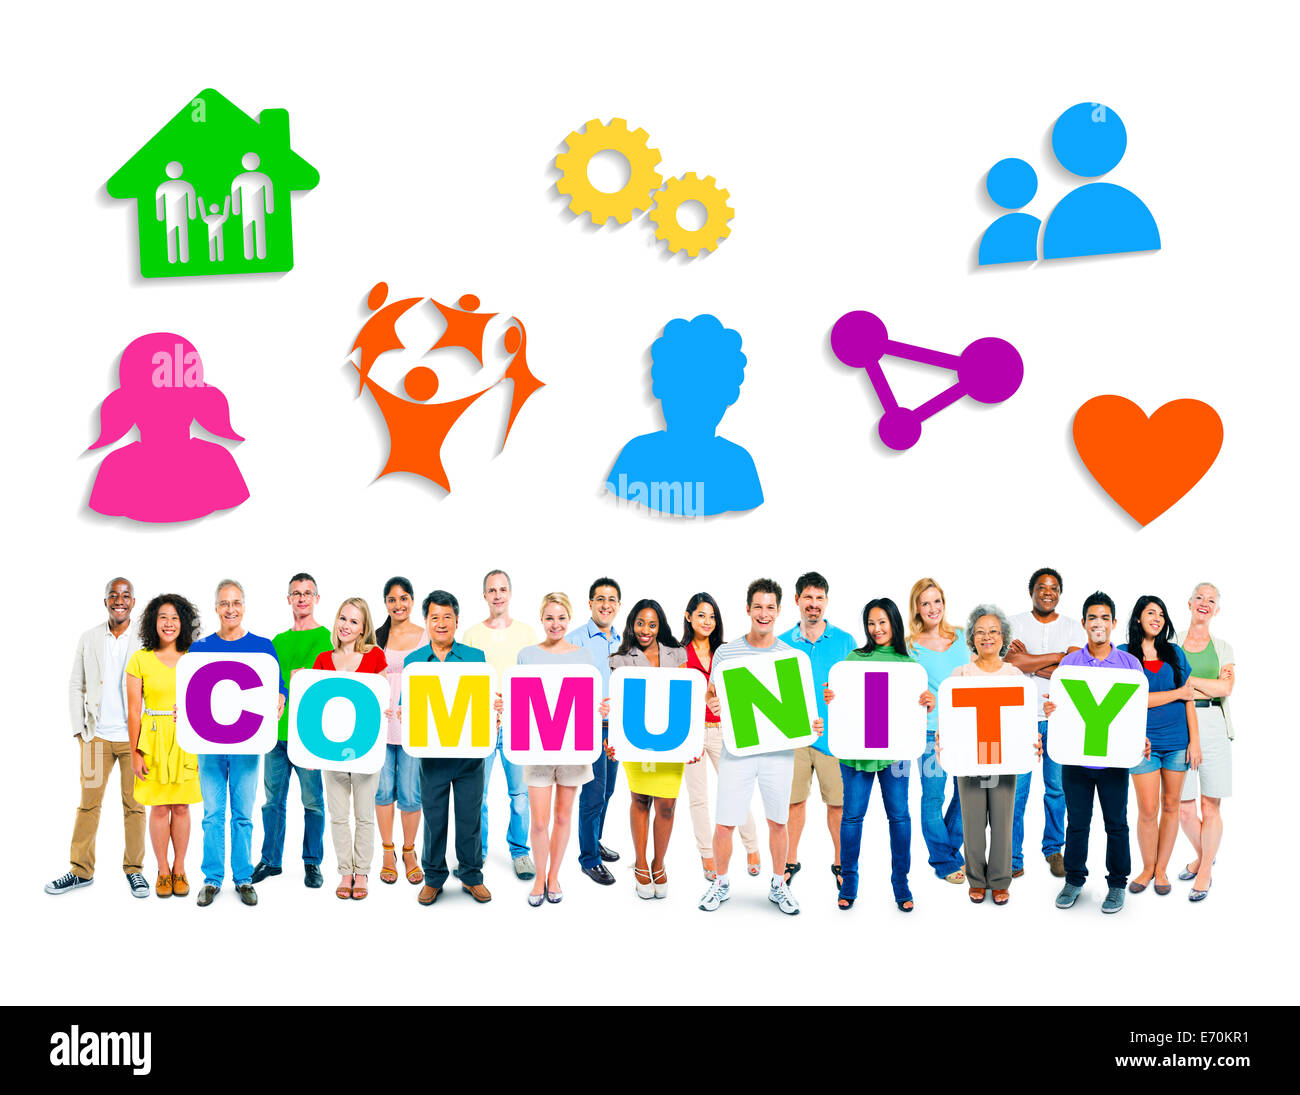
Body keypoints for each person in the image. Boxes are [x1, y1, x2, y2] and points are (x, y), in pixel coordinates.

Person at [698, 579, 823, 916]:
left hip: (777, 754)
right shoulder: (726, 653)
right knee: (725, 823)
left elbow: (801, 710)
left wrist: (811, 725)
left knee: (778, 822)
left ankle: (779, 885)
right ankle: (721, 882)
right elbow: (712, 692)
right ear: (748, 609)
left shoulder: (791, 656)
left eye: (770, 607)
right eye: (758, 607)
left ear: (779, 611)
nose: (764, 613)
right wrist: (712, 702)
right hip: (737, 751)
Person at [828, 598, 933, 913]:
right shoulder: (854, 659)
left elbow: (914, 711)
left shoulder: (910, 665)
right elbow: (844, 703)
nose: (876, 629)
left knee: (899, 816)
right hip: (856, 753)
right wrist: (832, 695)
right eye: (871, 623)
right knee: (852, 817)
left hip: (895, 754)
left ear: (894, 623)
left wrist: (927, 702)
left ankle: (901, 883)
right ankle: (848, 883)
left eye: (882, 622)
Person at [48, 579, 149, 898]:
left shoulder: (146, 640)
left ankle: (135, 871)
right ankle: (80, 870)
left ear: (133, 602)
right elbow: (75, 684)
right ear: (105, 601)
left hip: (135, 741)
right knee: (88, 805)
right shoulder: (89, 638)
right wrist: (79, 730)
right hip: (96, 738)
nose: (119, 600)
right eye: (113, 596)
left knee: (135, 806)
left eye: (125, 596)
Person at [605, 314, 763, 515]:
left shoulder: (738, 466)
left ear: (728, 397)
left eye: (706, 394)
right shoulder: (637, 456)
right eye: (682, 389)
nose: (693, 403)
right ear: (660, 388)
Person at [189, 579, 286, 908]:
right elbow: (190, 693)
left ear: (243, 606)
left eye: (236, 602)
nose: (230, 609)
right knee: (212, 814)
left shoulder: (263, 647)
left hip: (246, 743)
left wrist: (280, 698)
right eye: (224, 603)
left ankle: (243, 877)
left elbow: (277, 687)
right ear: (216, 608)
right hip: (209, 744)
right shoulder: (200, 648)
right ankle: (212, 879)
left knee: (243, 814)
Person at [1047, 592, 1145, 914]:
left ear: (1113, 623)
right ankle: (1074, 879)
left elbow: (1134, 713)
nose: (1098, 623)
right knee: (1077, 823)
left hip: (1113, 761)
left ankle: (1117, 884)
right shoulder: (1069, 665)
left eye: (1104, 617)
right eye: (1092, 618)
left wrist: (1140, 739)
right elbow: (1061, 710)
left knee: (1116, 824)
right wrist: (1050, 710)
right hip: (1076, 760)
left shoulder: (1130, 664)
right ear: (1084, 623)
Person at [514, 593, 609, 906]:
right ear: (541, 619)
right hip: (537, 748)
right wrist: (505, 706)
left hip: (572, 747)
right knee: (540, 822)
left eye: (561, 618)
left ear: (569, 619)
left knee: (563, 817)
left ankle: (554, 876)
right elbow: (521, 702)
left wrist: (600, 709)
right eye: (549, 618)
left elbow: (588, 700)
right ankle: (539, 877)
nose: (555, 624)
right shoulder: (527, 655)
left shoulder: (583, 656)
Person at [946, 605, 1041, 906]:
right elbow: (950, 720)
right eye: (980, 632)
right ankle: (976, 879)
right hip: (970, 758)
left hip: (1004, 757)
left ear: (1003, 637)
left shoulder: (1015, 675)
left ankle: (1000, 881)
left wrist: (1033, 742)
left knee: (1003, 822)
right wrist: (944, 742)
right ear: (972, 638)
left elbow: (1024, 721)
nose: (987, 637)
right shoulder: (961, 674)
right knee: (972, 822)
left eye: (993, 631)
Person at [407, 591, 492, 907]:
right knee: (434, 820)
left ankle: (472, 876)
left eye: (447, 617)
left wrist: (494, 706)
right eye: (435, 617)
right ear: (426, 621)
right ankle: (433, 879)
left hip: (469, 758)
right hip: (432, 759)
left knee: (470, 819)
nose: (441, 623)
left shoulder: (475, 657)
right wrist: (402, 712)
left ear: (457, 621)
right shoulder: (414, 662)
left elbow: (483, 700)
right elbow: (409, 705)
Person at [604, 599, 688, 898]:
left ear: (659, 626)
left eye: (652, 624)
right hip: (635, 739)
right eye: (640, 623)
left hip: (672, 740)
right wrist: (613, 740)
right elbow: (618, 704)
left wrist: (692, 742)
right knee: (640, 799)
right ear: (632, 624)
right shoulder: (619, 660)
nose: (645, 630)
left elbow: (686, 700)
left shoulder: (678, 654)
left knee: (667, 805)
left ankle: (658, 863)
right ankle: (640, 863)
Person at [252, 573, 330, 889]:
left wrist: (306, 675)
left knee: (313, 802)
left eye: (307, 593)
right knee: (273, 801)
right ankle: (271, 860)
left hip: (308, 735)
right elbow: (266, 681)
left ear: (316, 599)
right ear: (288, 599)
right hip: (276, 735)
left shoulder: (326, 638)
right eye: (296, 593)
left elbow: (330, 682)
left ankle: (312, 862)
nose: (301, 598)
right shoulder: (277, 642)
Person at [778, 571, 855, 892]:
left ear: (826, 601)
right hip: (794, 739)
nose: (814, 604)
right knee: (794, 802)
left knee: (837, 804)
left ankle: (841, 862)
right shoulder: (781, 642)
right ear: (797, 600)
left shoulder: (845, 641)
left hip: (833, 739)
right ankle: (788, 860)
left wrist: (838, 699)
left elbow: (856, 689)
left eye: (819, 598)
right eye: (808, 597)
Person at [1005, 567, 1084, 879]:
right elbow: (1010, 662)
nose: (1047, 593)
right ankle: (1013, 856)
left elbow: (1072, 670)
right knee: (1017, 792)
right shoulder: (1014, 623)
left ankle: (1053, 849)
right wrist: (1055, 657)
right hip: (1021, 717)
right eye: (1042, 587)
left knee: (1057, 789)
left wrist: (1031, 663)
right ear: (1031, 591)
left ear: (1059, 593)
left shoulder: (1073, 626)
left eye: (1053, 588)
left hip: (1058, 717)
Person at [1120, 595, 1199, 897]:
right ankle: (1147, 867)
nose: (1157, 618)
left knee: (1170, 806)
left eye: (1161, 614)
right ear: (1138, 618)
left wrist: (1195, 741)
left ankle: (1162, 869)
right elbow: (1131, 700)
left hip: (1178, 743)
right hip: (1142, 744)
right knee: (1148, 809)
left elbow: (1190, 699)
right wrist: (1176, 693)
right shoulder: (1124, 654)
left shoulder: (1175, 653)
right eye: (1151, 612)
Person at [681, 593, 762, 880]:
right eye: (701, 615)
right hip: (691, 733)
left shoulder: (726, 652)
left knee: (736, 790)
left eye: (712, 616)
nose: (707, 621)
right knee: (698, 797)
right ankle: (707, 853)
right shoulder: (678, 654)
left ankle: (752, 846)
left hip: (722, 729)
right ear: (689, 617)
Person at [462, 569, 537, 881]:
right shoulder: (471, 635)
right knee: (476, 795)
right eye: (492, 590)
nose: (497, 595)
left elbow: (535, 682)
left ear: (510, 593)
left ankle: (520, 852)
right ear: (484, 595)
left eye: (502, 589)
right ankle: (476, 852)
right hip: (480, 726)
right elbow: (464, 682)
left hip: (517, 726)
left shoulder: (527, 634)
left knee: (520, 795)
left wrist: (514, 701)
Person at [311, 598, 388, 899]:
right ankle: (345, 872)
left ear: (363, 628)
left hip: (365, 749)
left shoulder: (375, 656)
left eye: (354, 621)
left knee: (364, 814)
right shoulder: (322, 659)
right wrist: (310, 750)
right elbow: (314, 708)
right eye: (343, 618)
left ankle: (363, 873)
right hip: (331, 750)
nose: (346, 625)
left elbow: (381, 700)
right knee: (339, 815)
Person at [1176, 583, 1235, 902]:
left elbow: (1225, 689)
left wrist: (1189, 682)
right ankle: (1205, 858)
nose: (1204, 602)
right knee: (1184, 808)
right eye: (1199, 597)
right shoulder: (1172, 643)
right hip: (1180, 725)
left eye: (1211, 600)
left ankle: (1204, 872)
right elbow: (1170, 685)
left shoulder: (1223, 647)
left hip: (1213, 724)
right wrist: (1206, 685)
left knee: (1210, 805)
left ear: (1217, 609)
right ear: (1189, 603)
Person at [906, 578, 966, 884]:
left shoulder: (963, 636)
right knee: (933, 797)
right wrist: (920, 697)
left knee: (967, 794)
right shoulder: (909, 646)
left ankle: (949, 852)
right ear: (917, 608)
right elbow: (902, 689)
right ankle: (944, 861)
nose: (933, 608)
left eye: (937, 601)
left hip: (966, 728)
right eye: (925, 603)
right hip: (931, 732)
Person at [569, 577, 624, 885]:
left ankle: (595, 840)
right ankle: (589, 859)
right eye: (600, 599)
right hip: (589, 727)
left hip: (616, 729)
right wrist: (592, 706)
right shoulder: (576, 640)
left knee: (608, 790)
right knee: (592, 794)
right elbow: (566, 686)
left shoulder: (623, 641)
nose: (606, 604)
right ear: (590, 603)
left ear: (619, 605)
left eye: (611, 599)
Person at [374, 577, 425, 887]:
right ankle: (387, 851)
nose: (398, 604)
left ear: (412, 600)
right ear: (385, 604)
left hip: (413, 728)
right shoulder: (376, 637)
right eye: (392, 599)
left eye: (403, 598)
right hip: (379, 727)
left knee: (410, 793)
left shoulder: (426, 635)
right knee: (382, 792)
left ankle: (409, 851)